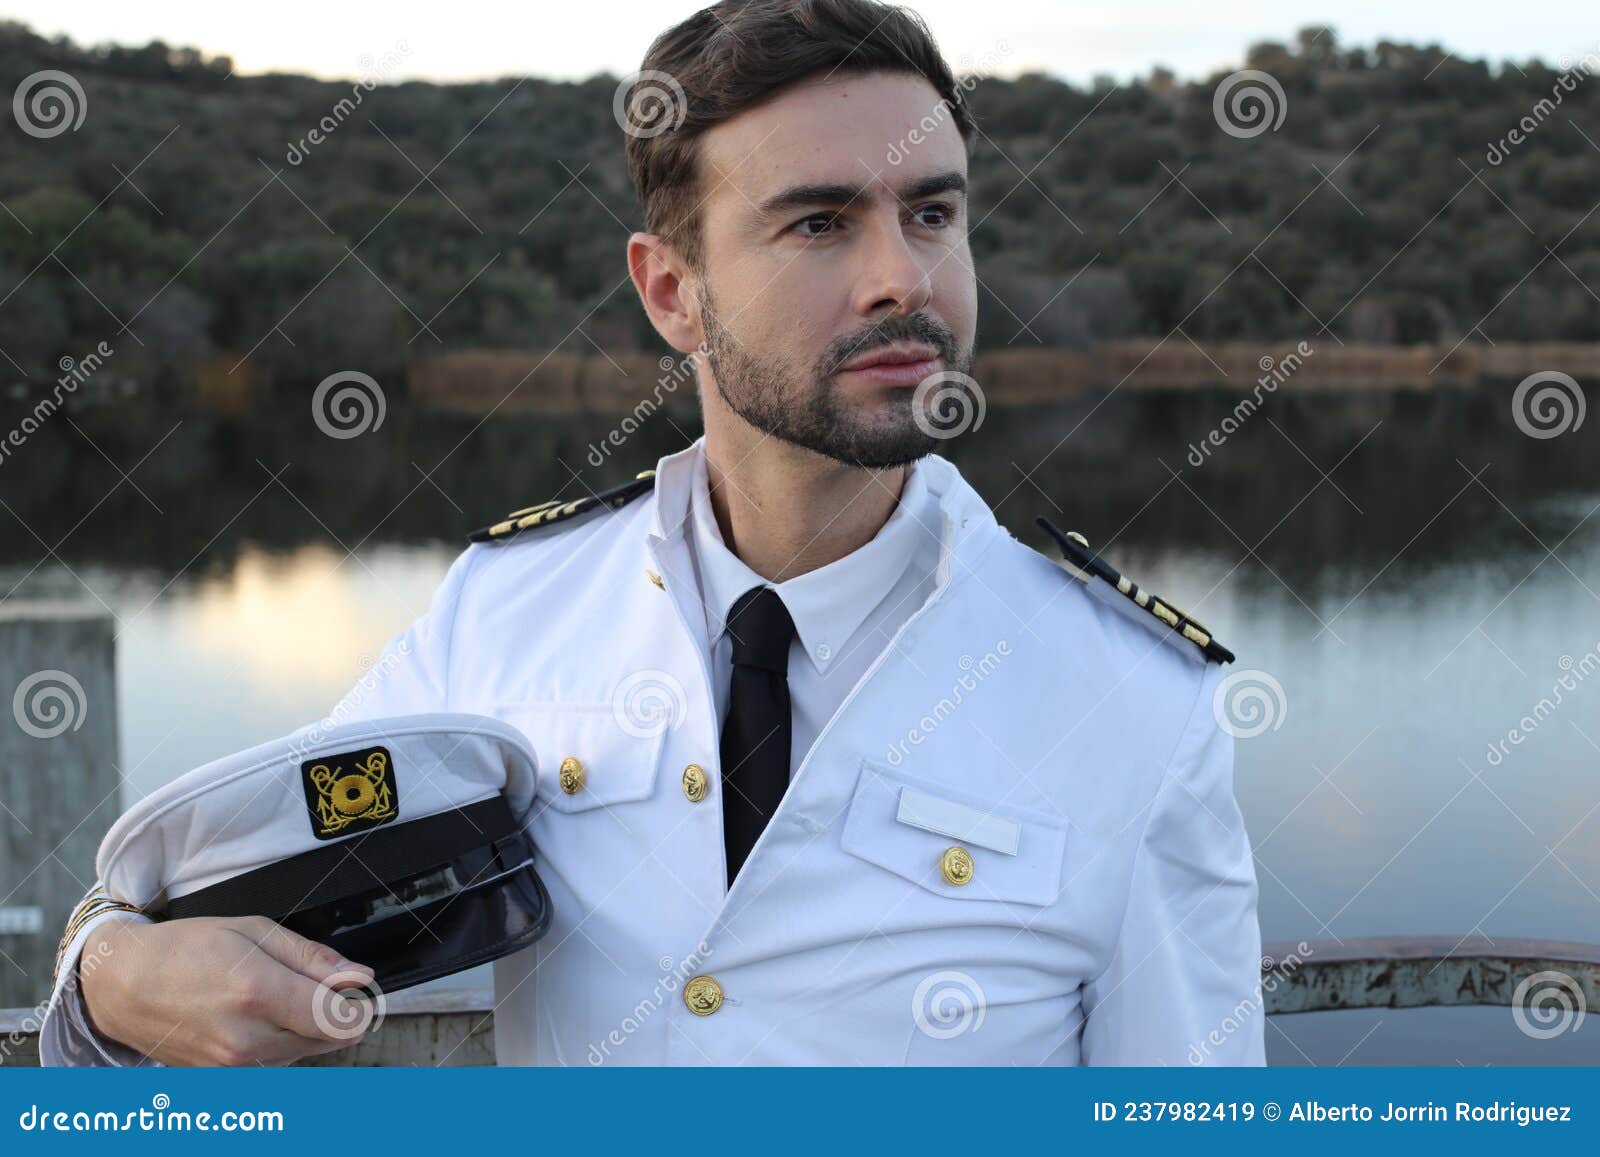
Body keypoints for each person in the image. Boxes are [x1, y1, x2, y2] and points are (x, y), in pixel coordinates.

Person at [41, 0, 1263, 1067]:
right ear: (674, 292)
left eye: (932, 212)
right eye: (821, 223)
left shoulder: (1133, 702)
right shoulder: (506, 613)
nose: (903, 277)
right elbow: (243, 867)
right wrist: (105, 961)